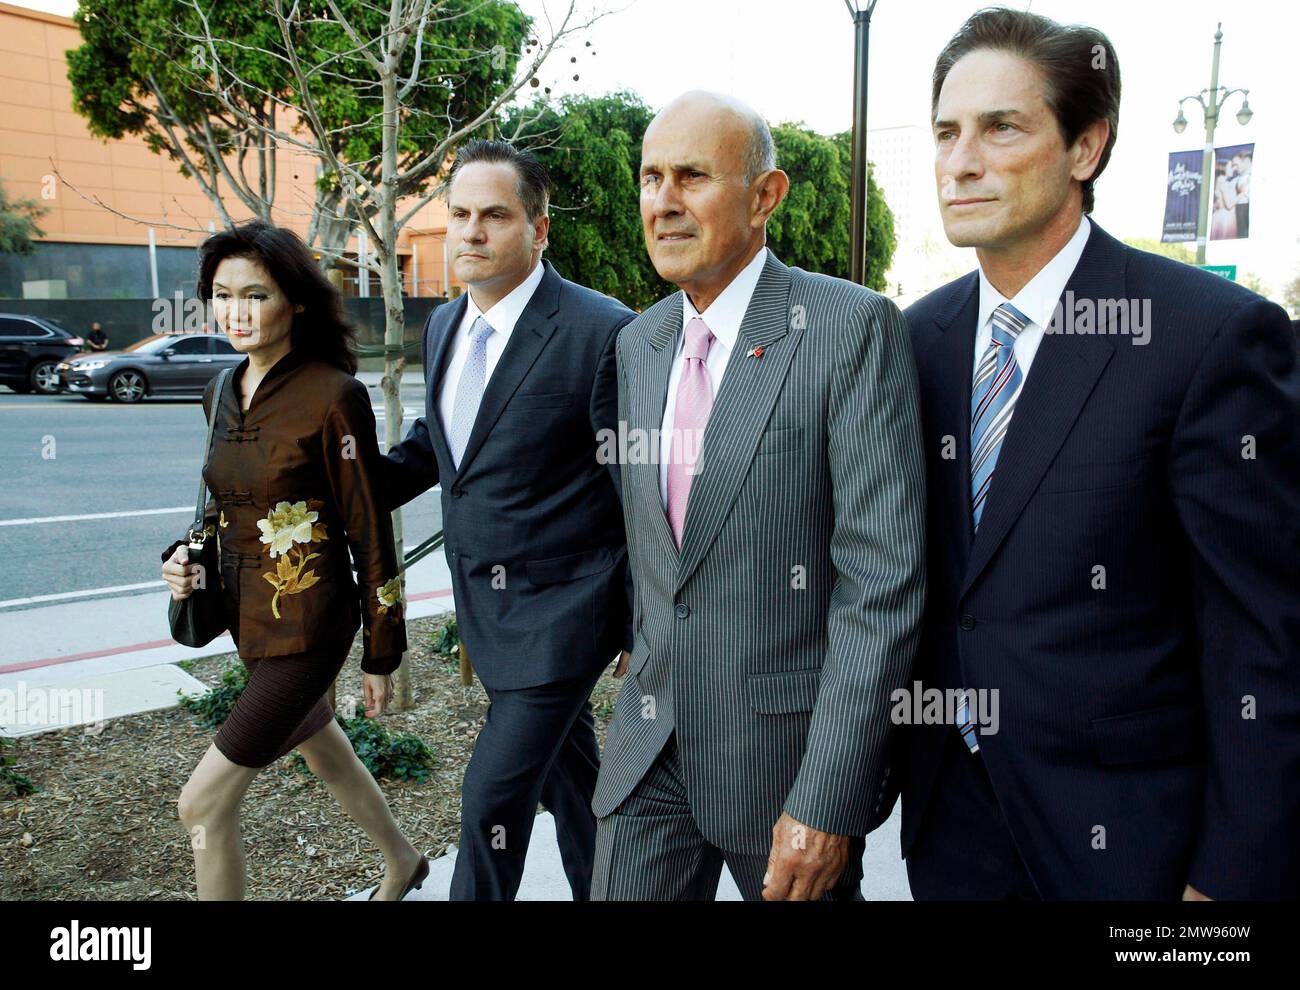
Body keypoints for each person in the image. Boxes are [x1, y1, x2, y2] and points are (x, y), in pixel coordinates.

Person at [902, 7, 1300, 900]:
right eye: (945, 132)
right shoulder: (914, 340)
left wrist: (1228, 890)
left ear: (1086, 147)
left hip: (1133, 849)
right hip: (954, 832)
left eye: (1001, 127)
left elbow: (1265, 644)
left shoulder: (1209, 337)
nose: (960, 160)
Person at [589, 91, 927, 901]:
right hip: (648, 753)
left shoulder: (850, 327)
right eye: (649, 178)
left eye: (692, 177)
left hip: (784, 770)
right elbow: (657, 546)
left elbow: (882, 584)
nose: (662, 201)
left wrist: (829, 796)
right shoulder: (638, 344)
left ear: (765, 196)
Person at [380, 140, 635, 901]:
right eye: (458, 214)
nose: (471, 232)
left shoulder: (602, 331)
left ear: (540, 228)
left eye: (495, 215)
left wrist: (639, 616)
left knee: (491, 799)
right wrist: (335, 488)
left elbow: (642, 487)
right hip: (487, 611)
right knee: (576, 784)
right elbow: (441, 448)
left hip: (566, 614)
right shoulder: (444, 325)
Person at [160, 220, 425, 901]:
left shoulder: (333, 396)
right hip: (248, 620)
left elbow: (369, 529)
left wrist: (381, 651)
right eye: (222, 295)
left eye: (256, 295)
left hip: (310, 625)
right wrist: (182, 561)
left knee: (202, 804)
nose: (236, 312)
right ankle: (402, 859)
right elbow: (224, 507)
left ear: (296, 303)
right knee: (323, 751)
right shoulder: (219, 391)